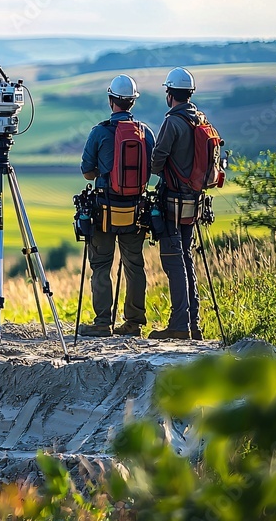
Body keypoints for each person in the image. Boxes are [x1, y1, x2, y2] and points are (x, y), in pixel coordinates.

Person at [78, 74, 155, 337]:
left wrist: (105, 173)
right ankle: (133, 323)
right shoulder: (146, 132)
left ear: (111, 101)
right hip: (136, 211)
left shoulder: (99, 132)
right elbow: (152, 168)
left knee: (101, 265)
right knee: (134, 266)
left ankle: (102, 323)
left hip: (104, 211)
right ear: (132, 102)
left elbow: (87, 171)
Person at [150, 67, 204, 340]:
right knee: (187, 258)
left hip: (172, 202)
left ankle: (179, 325)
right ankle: (193, 324)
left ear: (170, 93)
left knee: (174, 262)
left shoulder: (172, 122)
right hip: (194, 201)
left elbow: (157, 161)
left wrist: (155, 167)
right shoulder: (199, 119)